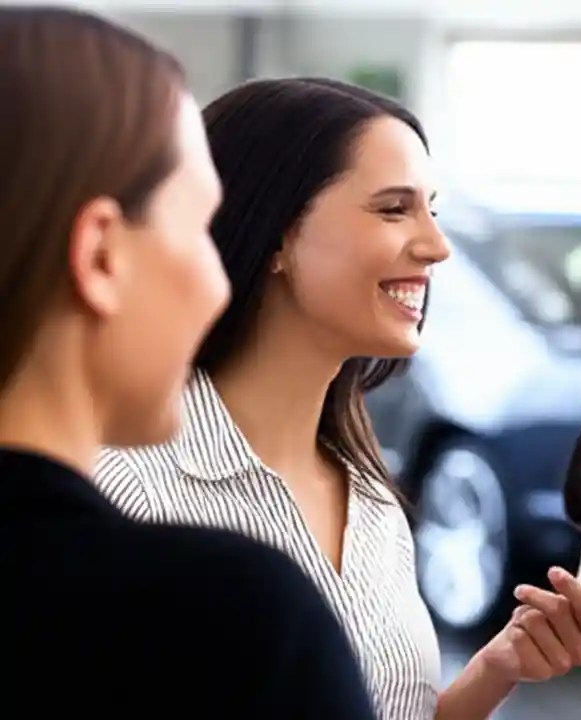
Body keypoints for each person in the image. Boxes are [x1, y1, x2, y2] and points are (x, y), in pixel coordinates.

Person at [93, 76, 581, 720]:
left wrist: (496, 670)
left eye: (431, 210)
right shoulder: (125, 490)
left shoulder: (373, 504)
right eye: (393, 209)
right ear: (276, 234)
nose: (437, 246)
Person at [0, 7, 379, 718]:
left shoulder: (367, 506)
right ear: (101, 255)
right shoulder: (228, 620)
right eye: (201, 227)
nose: (218, 284)